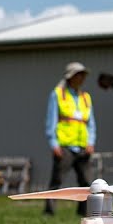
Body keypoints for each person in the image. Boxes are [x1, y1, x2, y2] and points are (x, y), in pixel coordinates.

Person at [43, 61, 95, 216]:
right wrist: (54, 143)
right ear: (70, 77)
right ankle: (49, 212)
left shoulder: (86, 97)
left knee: (86, 183)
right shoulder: (58, 94)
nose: (81, 78)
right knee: (57, 182)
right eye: (78, 75)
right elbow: (51, 120)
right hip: (64, 146)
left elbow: (91, 123)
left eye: (83, 75)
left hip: (83, 146)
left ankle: (84, 212)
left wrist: (90, 142)